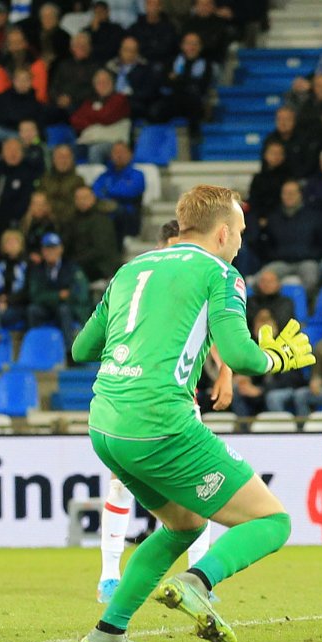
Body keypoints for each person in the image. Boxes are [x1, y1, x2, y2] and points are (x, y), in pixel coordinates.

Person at [76, 186, 316, 642]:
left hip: (104, 425)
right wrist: (279, 358)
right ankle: (198, 583)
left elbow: (82, 349)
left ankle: (106, 637)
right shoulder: (221, 273)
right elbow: (244, 356)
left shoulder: (132, 269)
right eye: (241, 232)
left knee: (183, 525)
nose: (241, 242)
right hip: (160, 425)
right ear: (223, 232)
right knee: (273, 521)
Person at [94, 218, 233, 606]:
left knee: (198, 487)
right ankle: (109, 575)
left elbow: (218, 329)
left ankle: (200, 575)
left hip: (179, 402)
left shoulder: (194, 284)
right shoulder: (139, 286)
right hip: (135, 399)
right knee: (120, 484)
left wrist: (226, 369)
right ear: (160, 248)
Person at [27, 232, 89, 348]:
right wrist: (58, 296)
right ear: (42, 251)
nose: (50, 252)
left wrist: (53, 297)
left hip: (70, 309)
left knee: (64, 310)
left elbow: (79, 295)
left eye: (53, 248)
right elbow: (35, 296)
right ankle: (38, 348)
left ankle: (70, 351)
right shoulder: (38, 270)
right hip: (47, 310)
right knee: (33, 310)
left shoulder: (71, 268)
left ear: (60, 249)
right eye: (47, 249)